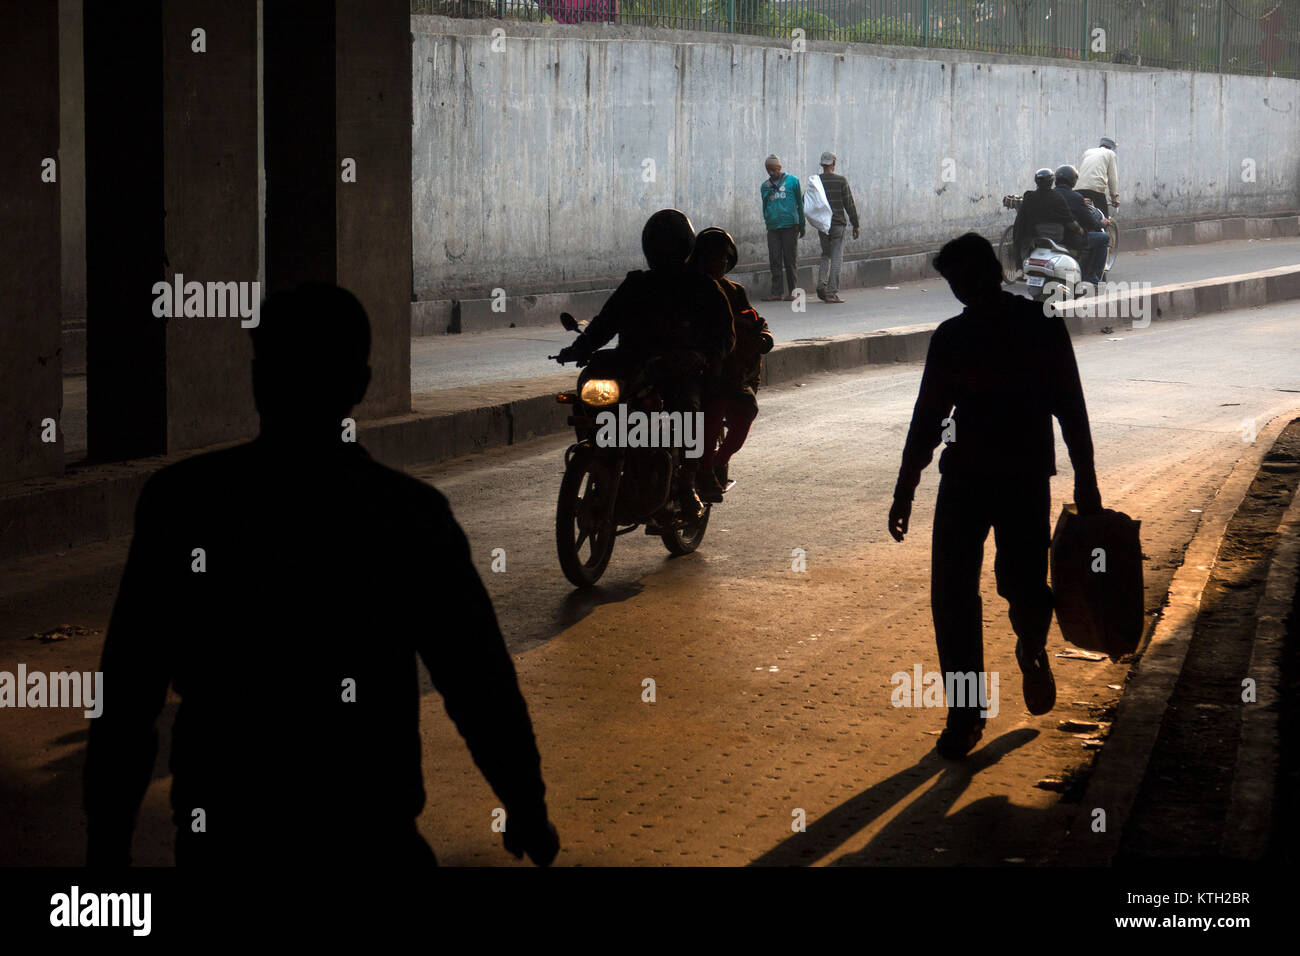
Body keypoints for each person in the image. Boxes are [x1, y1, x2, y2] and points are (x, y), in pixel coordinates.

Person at [84, 283, 560, 869]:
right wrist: (525, 804)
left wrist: (107, 846)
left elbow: (128, 692)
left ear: (260, 379)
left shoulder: (183, 503)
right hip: (366, 828)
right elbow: (476, 680)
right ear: (359, 386)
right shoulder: (406, 515)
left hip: (227, 829)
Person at [887, 233, 1102, 760]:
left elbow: (929, 418)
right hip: (1019, 474)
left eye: (959, 280)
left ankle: (969, 714)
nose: (959, 290)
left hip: (972, 477)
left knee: (955, 595)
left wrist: (907, 485)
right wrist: (1085, 478)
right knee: (1020, 583)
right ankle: (1019, 657)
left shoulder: (956, 337)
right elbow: (1070, 408)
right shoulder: (1039, 325)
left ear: (979, 275)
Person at [557, 209, 735, 520]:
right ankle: (600, 457)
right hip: (631, 367)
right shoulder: (636, 285)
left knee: (686, 412)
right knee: (588, 392)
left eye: (669, 244)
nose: (664, 250)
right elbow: (604, 324)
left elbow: (724, 335)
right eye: (659, 244)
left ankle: (686, 485)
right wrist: (578, 348)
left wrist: (703, 356)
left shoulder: (703, 287)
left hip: (677, 371)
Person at [687, 227, 774, 502]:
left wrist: (761, 340)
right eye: (713, 257)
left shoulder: (733, 292)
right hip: (684, 368)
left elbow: (755, 325)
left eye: (723, 258)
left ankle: (712, 464)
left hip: (723, 371)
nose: (720, 263)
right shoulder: (680, 287)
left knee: (737, 404)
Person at [811, 151, 861, 304]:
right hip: (838, 224)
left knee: (826, 254)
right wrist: (855, 224)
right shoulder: (841, 181)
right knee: (836, 258)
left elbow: (808, 201)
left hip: (823, 225)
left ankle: (821, 284)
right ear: (834, 164)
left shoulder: (816, 181)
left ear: (822, 165)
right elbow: (849, 203)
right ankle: (831, 293)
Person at [1054, 164, 1110, 285]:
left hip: (1051, 236)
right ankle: (1093, 276)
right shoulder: (1075, 197)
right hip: (1070, 238)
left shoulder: (1050, 195)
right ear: (1073, 180)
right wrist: (1101, 223)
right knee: (1104, 238)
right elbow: (1089, 221)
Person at [760, 154, 805, 302]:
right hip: (773, 227)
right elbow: (765, 205)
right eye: (768, 170)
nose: (771, 173)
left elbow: (800, 203)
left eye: (773, 169)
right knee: (774, 259)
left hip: (790, 226)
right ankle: (776, 292)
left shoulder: (793, 182)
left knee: (790, 258)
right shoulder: (765, 186)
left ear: (779, 168)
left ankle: (793, 292)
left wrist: (801, 223)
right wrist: (768, 218)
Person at [1013, 167, 1083, 260]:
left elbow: (1021, 218)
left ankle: (1019, 268)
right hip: (1056, 237)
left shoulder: (1029, 197)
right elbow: (1069, 220)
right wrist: (1079, 230)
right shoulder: (1058, 198)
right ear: (1052, 181)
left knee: (1018, 228)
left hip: (1034, 237)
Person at [1077, 137, 1119, 219]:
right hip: (1096, 189)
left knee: (1081, 215)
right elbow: (1112, 178)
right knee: (1103, 217)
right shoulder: (1110, 153)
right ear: (1111, 148)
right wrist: (1114, 198)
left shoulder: (1088, 152)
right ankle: (1103, 230)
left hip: (1078, 187)